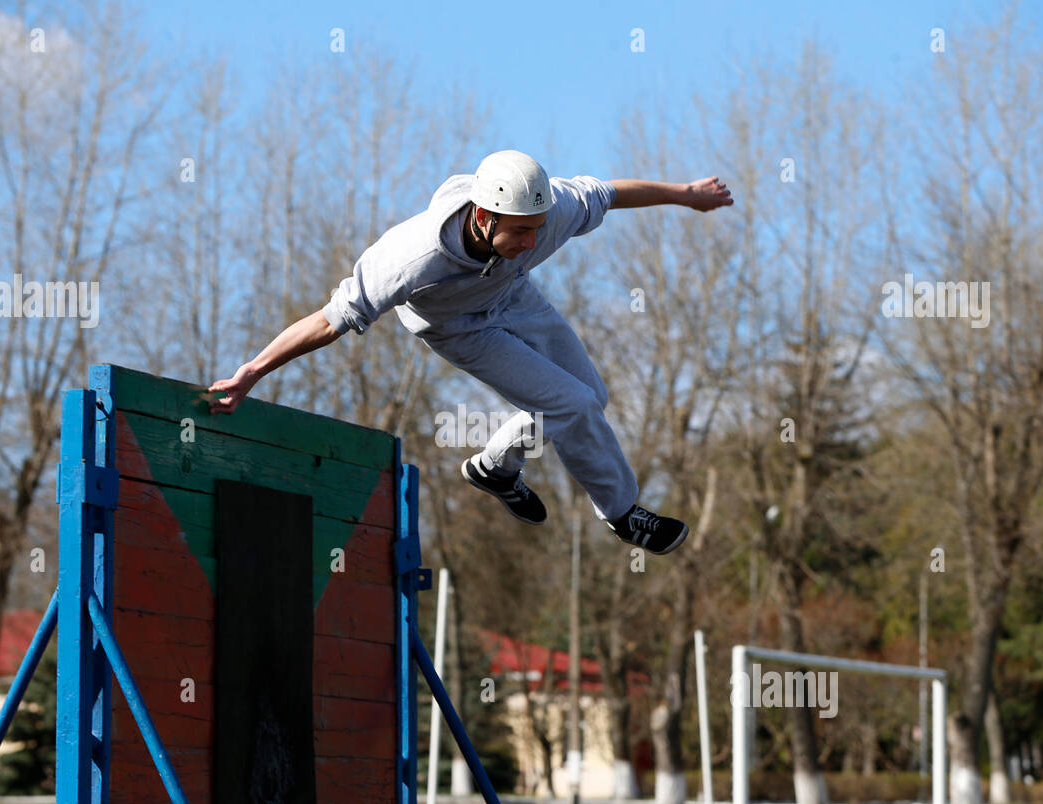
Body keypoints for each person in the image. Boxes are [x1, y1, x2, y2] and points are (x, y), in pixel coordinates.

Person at [208, 149, 732, 554]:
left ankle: (494, 467)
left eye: (536, 230)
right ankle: (623, 514)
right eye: (520, 233)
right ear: (483, 217)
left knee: (589, 397)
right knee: (571, 404)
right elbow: (328, 322)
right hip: (456, 326)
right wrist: (252, 371)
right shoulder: (409, 256)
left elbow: (611, 193)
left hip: (511, 296)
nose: (533, 242)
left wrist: (685, 194)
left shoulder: (552, 212)